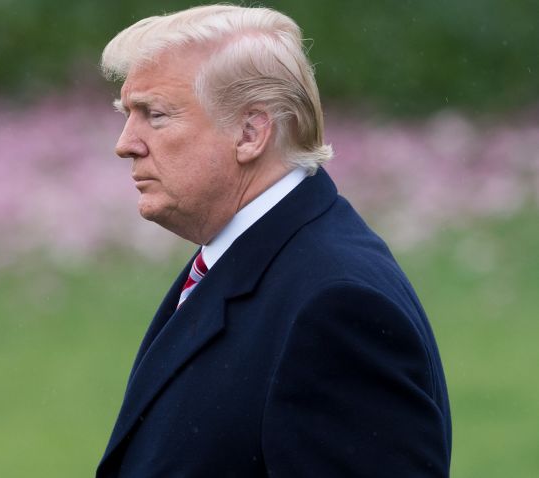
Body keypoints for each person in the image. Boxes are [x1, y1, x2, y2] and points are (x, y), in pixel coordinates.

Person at [96, 5, 451, 477]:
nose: (126, 142)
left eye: (155, 115)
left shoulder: (335, 306)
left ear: (250, 133)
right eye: (127, 114)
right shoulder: (250, 261)